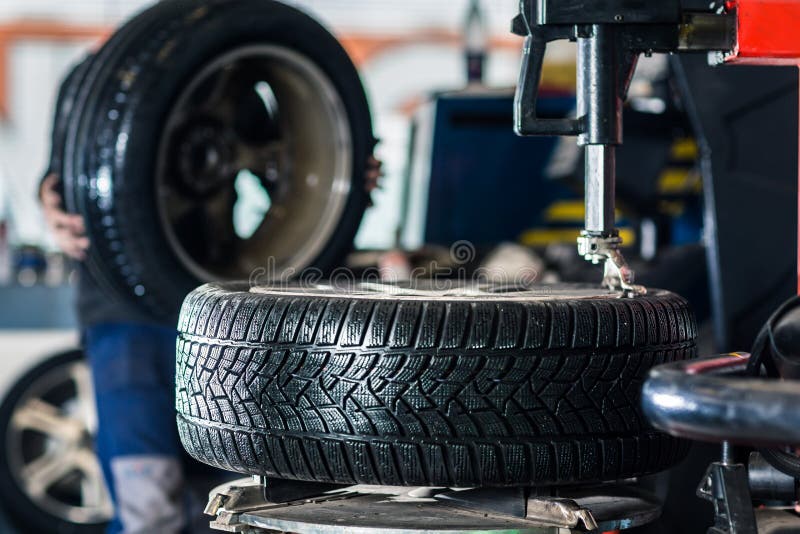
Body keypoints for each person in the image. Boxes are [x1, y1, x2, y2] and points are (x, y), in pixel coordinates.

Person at [40, 57, 382, 533]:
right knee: (148, 510)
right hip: (127, 314)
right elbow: (59, 177)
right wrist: (53, 211)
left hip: (221, 320)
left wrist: (345, 180)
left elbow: (289, 169)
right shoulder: (93, 78)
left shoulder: (229, 73)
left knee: (237, 501)